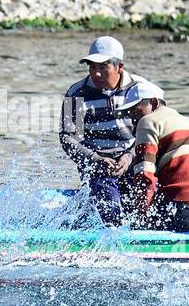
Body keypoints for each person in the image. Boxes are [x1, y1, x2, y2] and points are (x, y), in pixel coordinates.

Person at [119, 81, 189, 234]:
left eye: (135, 111)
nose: (132, 119)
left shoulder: (148, 121)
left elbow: (145, 176)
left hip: (180, 209)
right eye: (129, 115)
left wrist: (142, 222)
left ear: (153, 103)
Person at [59, 36, 152, 225]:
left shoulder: (140, 89)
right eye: (92, 67)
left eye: (103, 67)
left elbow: (152, 130)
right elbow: (67, 138)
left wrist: (129, 157)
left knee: (149, 206)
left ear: (120, 67)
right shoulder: (76, 93)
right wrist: (96, 159)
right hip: (96, 164)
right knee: (111, 213)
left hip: (134, 160)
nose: (97, 74)